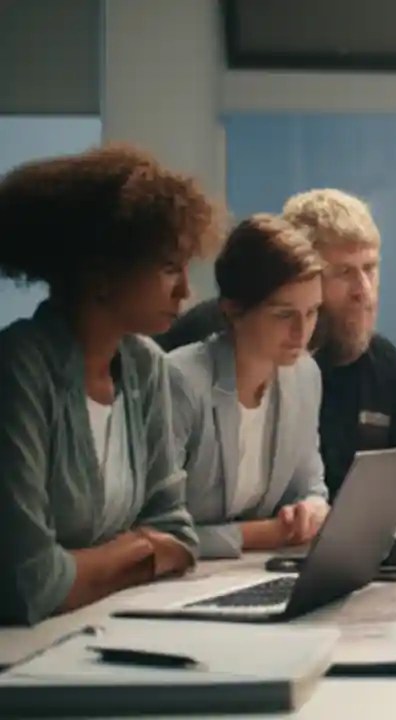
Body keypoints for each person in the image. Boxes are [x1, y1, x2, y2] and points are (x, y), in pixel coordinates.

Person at [0, 144, 219, 624]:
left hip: (104, 628)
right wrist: (145, 549)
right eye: (168, 269)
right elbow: (28, 582)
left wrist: (84, 570)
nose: (186, 290)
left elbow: (180, 535)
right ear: (100, 272)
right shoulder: (20, 367)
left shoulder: (146, 365)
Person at [156, 189, 396, 497]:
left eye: (370, 268)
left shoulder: (382, 365)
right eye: (343, 272)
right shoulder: (216, 338)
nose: (364, 291)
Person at [168, 215, 330, 559]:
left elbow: (311, 485)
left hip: (252, 573)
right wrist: (262, 535)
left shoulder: (304, 376)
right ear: (233, 310)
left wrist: (311, 510)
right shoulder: (181, 381)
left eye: (313, 312)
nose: (303, 333)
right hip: (172, 582)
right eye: (284, 314)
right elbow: (160, 533)